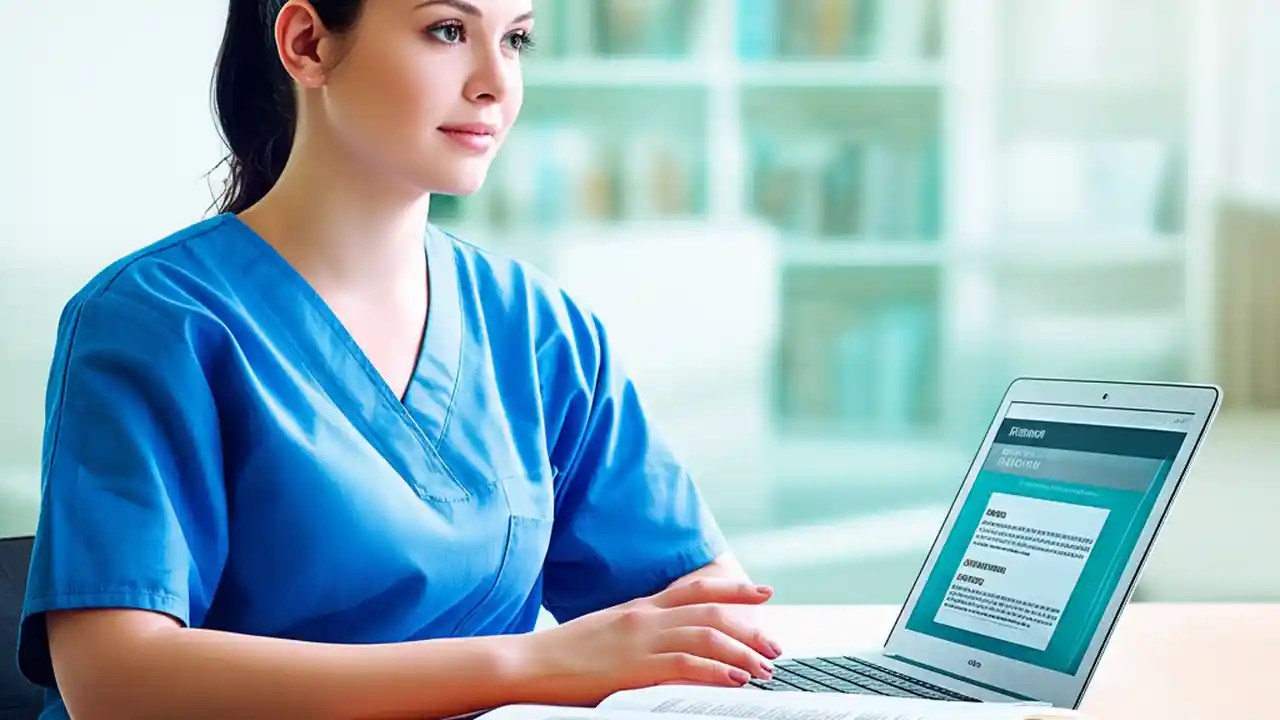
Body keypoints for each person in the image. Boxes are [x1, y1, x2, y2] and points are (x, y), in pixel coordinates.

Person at [16, 1, 782, 718]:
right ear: (308, 45)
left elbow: (703, 604)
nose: (495, 83)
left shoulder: (537, 326)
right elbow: (114, 679)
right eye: (447, 30)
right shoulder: (156, 321)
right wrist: (533, 665)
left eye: (516, 39)